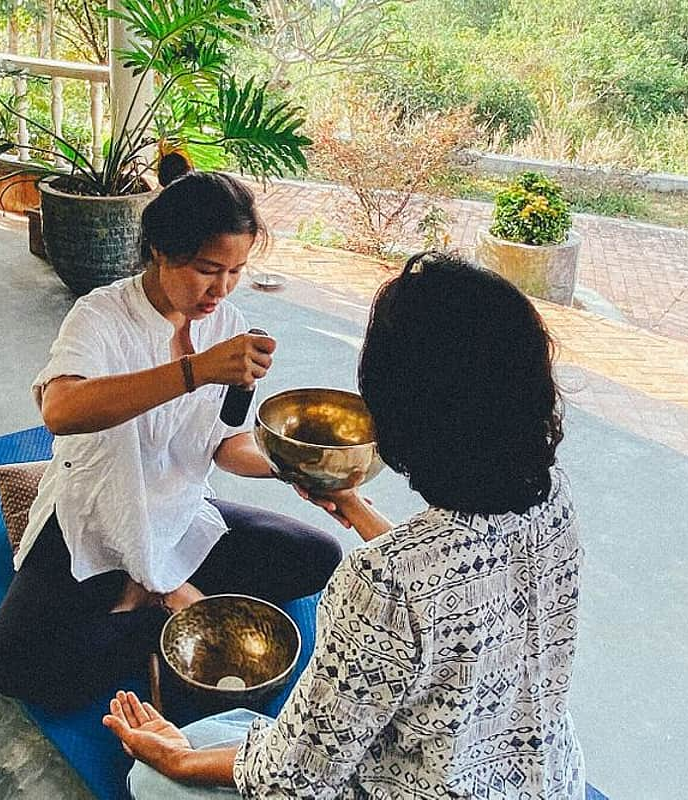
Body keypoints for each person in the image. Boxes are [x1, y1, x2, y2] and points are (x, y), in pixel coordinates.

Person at [105, 251, 585, 799]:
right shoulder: (553, 496)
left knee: (152, 777)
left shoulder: (378, 582)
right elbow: (457, 585)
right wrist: (356, 508)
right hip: (546, 782)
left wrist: (179, 759)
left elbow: (297, 779)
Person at [0, 172, 343, 712]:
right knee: (15, 666)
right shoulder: (101, 316)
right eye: (205, 270)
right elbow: (60, 411)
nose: (219, 290)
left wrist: (293, 465)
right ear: (159, 250)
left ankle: (155, 591)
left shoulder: (230, 322)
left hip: (178, 512)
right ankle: (160, 609)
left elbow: (225, 445)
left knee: (317, 558)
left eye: (235, 272)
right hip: (96, 519)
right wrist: (193, 371)